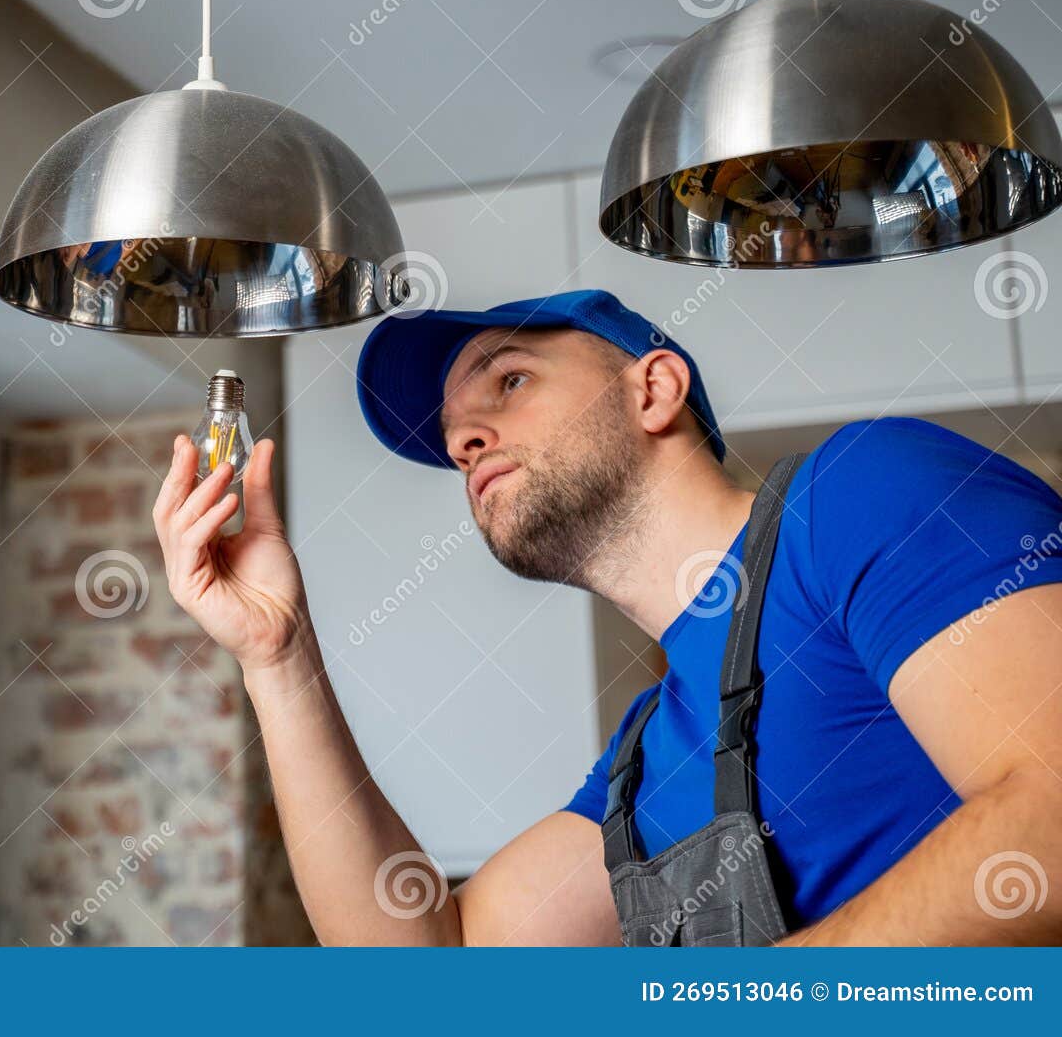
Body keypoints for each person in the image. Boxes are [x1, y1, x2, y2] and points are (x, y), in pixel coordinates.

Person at [152, 289, 1062, 945]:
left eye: (506, 382)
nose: (465, 440)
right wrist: (276, 653)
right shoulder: (642, 763)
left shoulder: (862, 490)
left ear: (653, 389)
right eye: (455, 435)